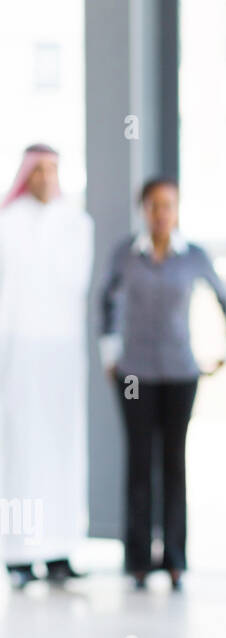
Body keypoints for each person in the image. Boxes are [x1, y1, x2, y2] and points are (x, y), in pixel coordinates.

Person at [100, 177, 226, 590]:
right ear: (144, 209)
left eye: (168, 206)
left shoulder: (193, 256)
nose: (161, 213)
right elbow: (107, 300)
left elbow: (225, 298)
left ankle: (174, 558)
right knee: (139, 461)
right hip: (135, 374)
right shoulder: (126, 254)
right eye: (154, 206)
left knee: (173, 463)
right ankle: (137, 558)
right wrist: (110, 353)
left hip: (179, 373)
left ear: (177, 210)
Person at [0, 144, 93, 588]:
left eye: (54, 169)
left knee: (61, 450)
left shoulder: (75, 224)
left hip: (59, 358)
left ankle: (59, 549)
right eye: (38, 170)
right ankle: (19, 553)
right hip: (17, 358)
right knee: (20, 454)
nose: (46, 178)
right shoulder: (7, 223)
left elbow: (74, 284)